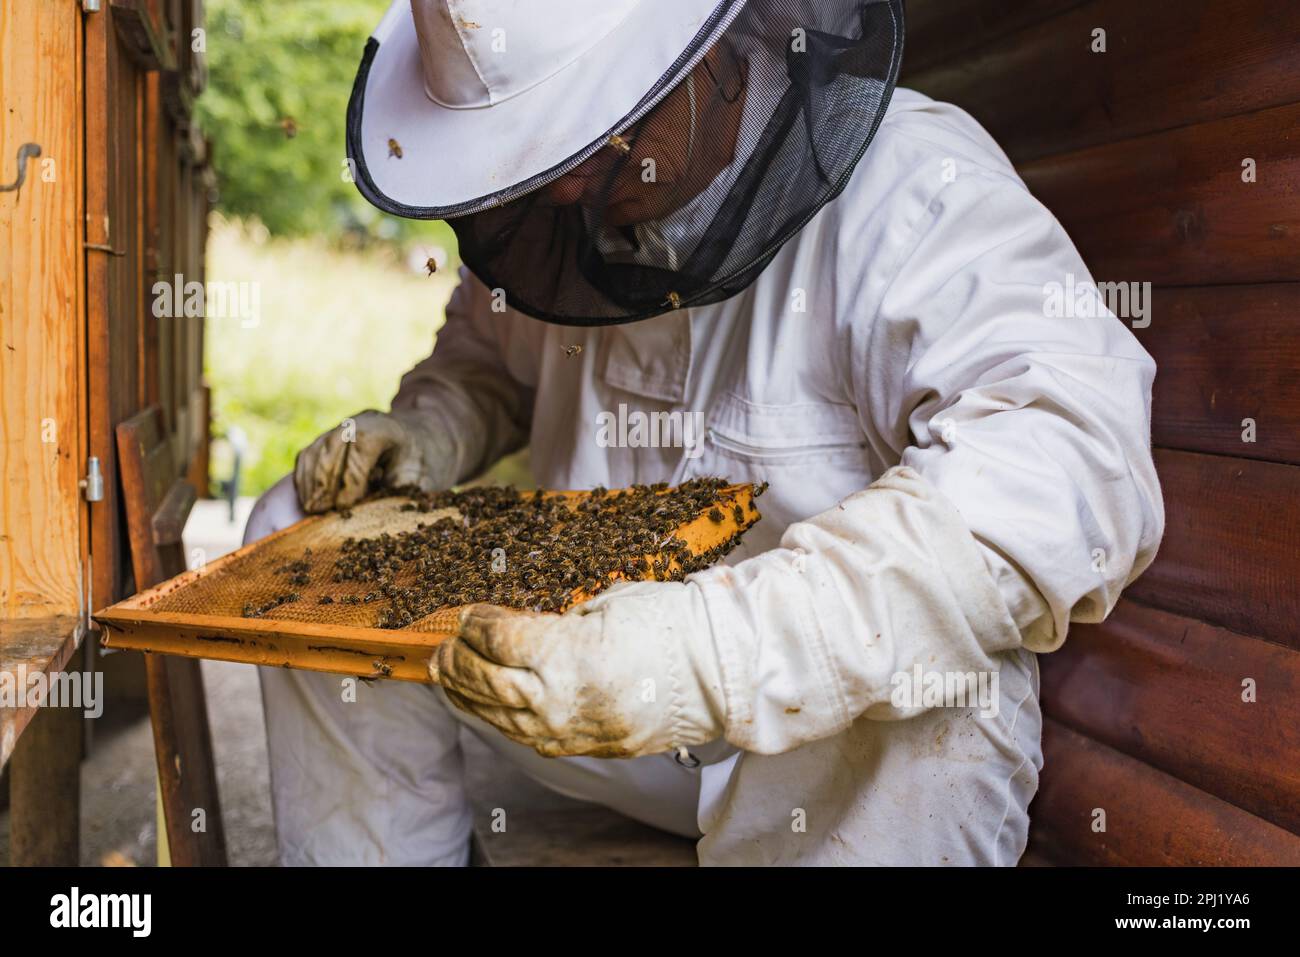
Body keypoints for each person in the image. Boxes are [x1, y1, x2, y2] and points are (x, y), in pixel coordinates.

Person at [245, 0, 1164, 865]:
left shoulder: (918, 186)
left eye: (599, 135)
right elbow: (488, 362)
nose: (565, 187)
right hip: (580, 704)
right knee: (301, 532)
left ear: (711, 51)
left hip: (823, 749)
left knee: (943, 702)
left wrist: (703, 657)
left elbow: (1074, 462)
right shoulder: (565, 212)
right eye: (533, 156)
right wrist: (426, 433)